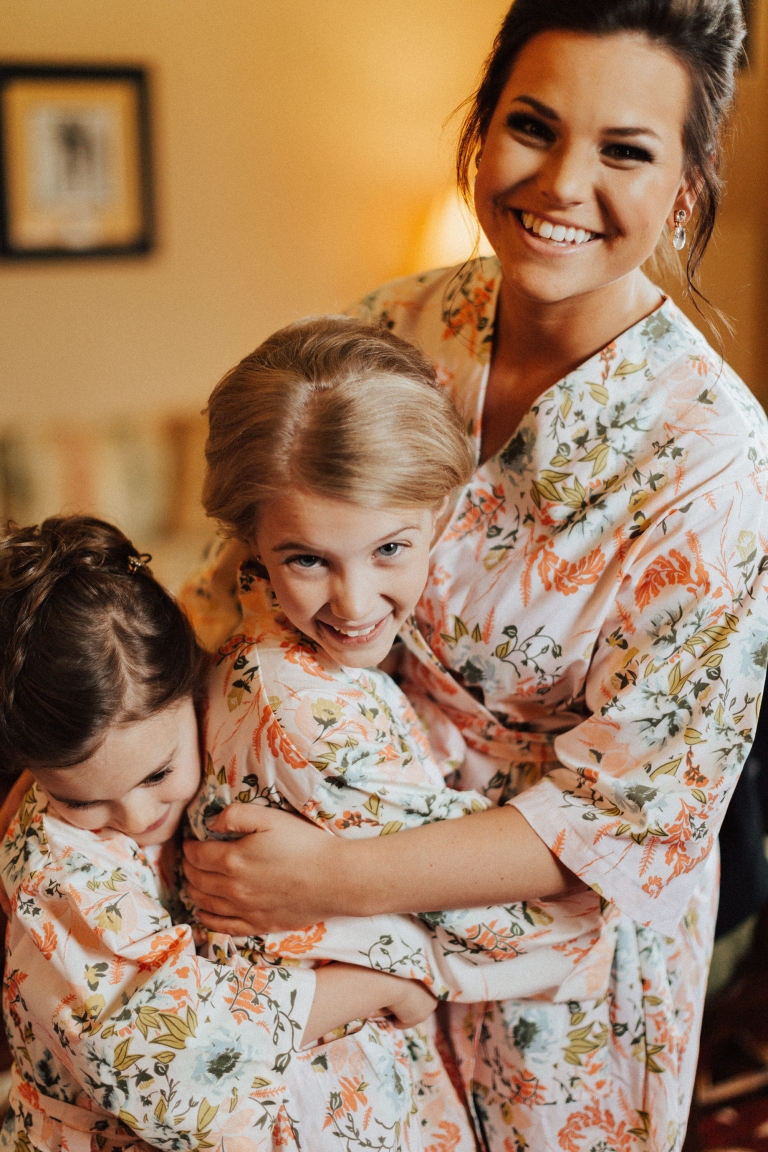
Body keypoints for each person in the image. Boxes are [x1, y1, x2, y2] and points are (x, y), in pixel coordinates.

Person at [180, 1, 768, 1148]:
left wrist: (336, 880)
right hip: (333, 888)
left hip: (547, 969)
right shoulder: (401, 322)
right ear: (480, 131)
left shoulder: (713, 459)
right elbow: (241, 575)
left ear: (686, 187)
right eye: (533, 126)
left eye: (626, 151)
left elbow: (628, 815)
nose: (561, 183)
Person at [190, 315, 608, 1011]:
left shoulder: (261, 646)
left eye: (389, 549)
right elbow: (543, 938)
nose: (354, 604)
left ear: (441, 512)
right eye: (308, 559)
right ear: (251, 541)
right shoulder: (315, 715)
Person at [0, 515, 450, 1152]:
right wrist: (378, 983)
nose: (134, 817)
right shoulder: (59, 872)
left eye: (158, 772)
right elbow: (177, 1055)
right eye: (86, 799)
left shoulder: (232, 692)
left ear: (194, 684)